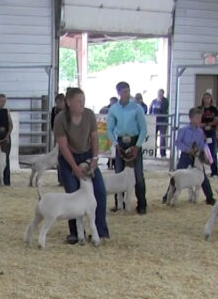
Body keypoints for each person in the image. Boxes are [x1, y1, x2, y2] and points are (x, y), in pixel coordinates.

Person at [53, 87, 109, 244]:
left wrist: (95, 158)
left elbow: (95, 138)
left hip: (87, 154)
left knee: (99, 191)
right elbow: (63, 146)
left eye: (83, 101)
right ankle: (76, 234)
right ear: (69, 102)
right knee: (72, 194)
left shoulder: (89, 115)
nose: (82, 104)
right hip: (68, 157)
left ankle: (100, 231)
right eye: (79, 101)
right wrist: (74, 168)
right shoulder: (60, 119)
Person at [107, 81, 149, 214]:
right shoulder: (113, 109)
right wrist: (116, 144)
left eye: (128, 91)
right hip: (120, 142)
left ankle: (141, 204)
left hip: (134, 141)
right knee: (118, 174)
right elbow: (109, 129)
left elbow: (143, 129)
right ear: (118, 93)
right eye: (124, 91)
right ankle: (119, 204)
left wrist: (137, 146)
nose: (127, 94)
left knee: (138, 175)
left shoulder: (137, 108)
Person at [165, 107, 214, 205]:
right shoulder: (184, 130)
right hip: (186, 155)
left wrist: (203, 149)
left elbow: (201, 144)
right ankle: (167, 196)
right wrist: (188, 150)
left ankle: (209, 197)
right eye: (197, 118)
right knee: (177, 175)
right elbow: (178, 142)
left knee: (202, 176)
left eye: (200, 118)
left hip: (197, 157)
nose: (199, 120)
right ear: (191, 118)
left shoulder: (200, 132)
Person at [199, 90, 218, 177]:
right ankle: (199, 170)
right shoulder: (199, 109)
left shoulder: (214, 109)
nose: (206, 99)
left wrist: (207, 124)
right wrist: (203, 125)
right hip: (201, 131)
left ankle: (214, 172)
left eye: (208, 98)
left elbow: (216, 121)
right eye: (205, 98)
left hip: (211, 131)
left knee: (212, 151)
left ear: (211, 99)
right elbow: (198, 120)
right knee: (200, 150)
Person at [150, 89, 169, 157]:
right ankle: (153, 152)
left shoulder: (165, 101)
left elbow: (165, 110)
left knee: (162, 137)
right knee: (153, 137)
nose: (159, 94)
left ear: (163, 93)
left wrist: (161, 102)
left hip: (162, 121)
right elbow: (150, 110)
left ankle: (162, 153)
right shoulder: (154, 101)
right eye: (158, 93)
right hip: (154, 121)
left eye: (161, 93)